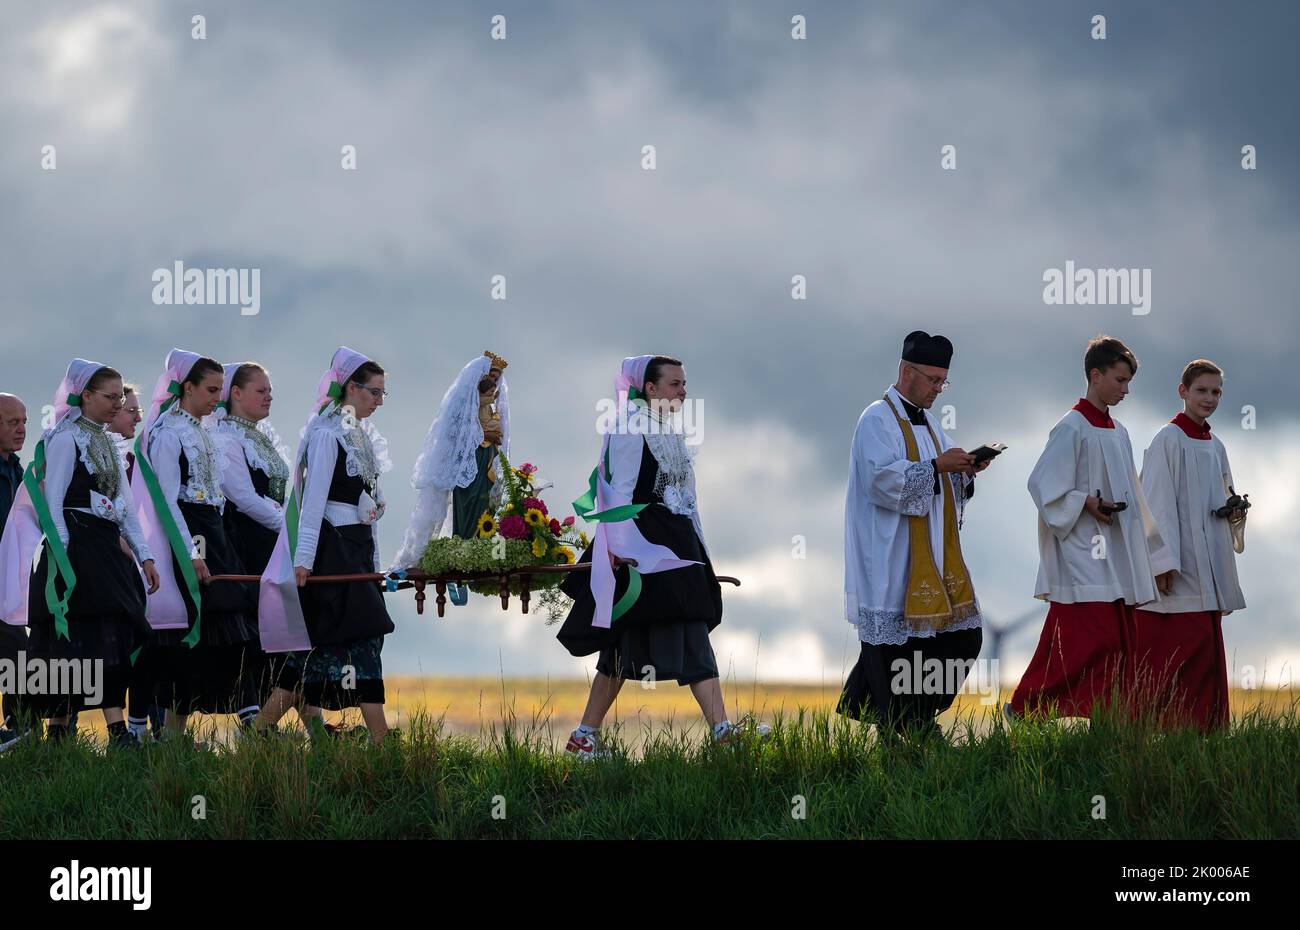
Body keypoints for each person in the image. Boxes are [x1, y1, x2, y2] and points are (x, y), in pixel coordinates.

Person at [556, 355, 765, 760]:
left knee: (642, 638)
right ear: (650, 388)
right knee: (655, 634)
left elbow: (685, 498)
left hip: (675, 540)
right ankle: (721, 732)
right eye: (674, 385)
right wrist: (619, 548)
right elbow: (619, 491)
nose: (683, 392)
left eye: (684, 385)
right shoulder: (630, 425)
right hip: (647, 544)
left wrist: (700, 550)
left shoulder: (662, 427)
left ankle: (586, 737)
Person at [1009, 335, 1175, 720]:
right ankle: (1028, 707)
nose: (1126, 389)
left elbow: (1135, 493)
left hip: (1117, 549)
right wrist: (1085, 501)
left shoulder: (1119, 432)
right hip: (1082, 547)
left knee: (1111, 638)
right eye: (1119, 380)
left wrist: (1156, 555)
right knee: (1091, 636)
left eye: (1129, 382)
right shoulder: (1071, 427)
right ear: (1095, 375)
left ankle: (1104, 719)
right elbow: (1042, 484)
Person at [836, 331, 990, 741]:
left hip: (933, 558)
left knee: (962, 639)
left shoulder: (933, 425)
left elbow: (944, 477)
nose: (939, 389)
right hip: (890, 555)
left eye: (943, 382)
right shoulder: (876, 419)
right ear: (907, 371)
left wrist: (965, 472)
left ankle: (901, 716)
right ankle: (911, 728)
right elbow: (880, 481)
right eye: (933, 380)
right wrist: (938, 467)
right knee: (899, 649)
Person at [0, 361, 160, 748]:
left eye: (120, 397)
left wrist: (145, 556)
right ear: (85, 396)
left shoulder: (107, 442)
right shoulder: (65, 438)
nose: (116, 403)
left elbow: (123, 508)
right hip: (74, 547)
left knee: (116, 633)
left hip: (104, 545)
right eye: (109, 396)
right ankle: (74, 733)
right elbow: (53, 503)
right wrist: (64, 558)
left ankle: (110, 731)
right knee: (74, 641)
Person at [256, 347, 396, 740]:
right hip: (332, 551)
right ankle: (381, 736)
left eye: (384, 394)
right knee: (365, 633)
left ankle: (259, 730)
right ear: (351, 388)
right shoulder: (326, 434)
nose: (379, 401)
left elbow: (362, 496)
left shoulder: (359, 435)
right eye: (374, 392)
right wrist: (304, 561)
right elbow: (312, 501)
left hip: (356, 547)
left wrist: (375, 512)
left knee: (320, 648)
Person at [130, 350, 260, 738]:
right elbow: (168, 500)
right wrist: (192, 553)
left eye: (220, 389)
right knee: (191, 633)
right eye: (210, 389)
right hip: (191, 531)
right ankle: (165, 731)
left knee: (230, 624)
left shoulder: (202, 429)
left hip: (214, 529)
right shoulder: (168, 433)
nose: (217, 398)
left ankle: (247, 720)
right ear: (186, 387)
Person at [1131, 359, 1245, 730]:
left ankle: (1203, 732)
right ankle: (1155, 730)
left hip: (1209, 562)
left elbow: (1221, 494)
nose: (1209, 398)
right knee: (1175, 652)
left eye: (1215, 392)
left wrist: (1234, 509)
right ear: (1183, 392)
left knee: (1204, 652)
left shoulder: (1216, 445)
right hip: (1180, 566)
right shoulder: (1168, 438)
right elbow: (1155, 502)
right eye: (1201, 390)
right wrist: (1160, 561)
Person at [391, 351, 509, 606]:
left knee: (485, 504)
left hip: (486, 462)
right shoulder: (464, 408)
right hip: (469, 465)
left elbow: (497, 433)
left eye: (496, 381)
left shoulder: (491, 408)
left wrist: (491, 437)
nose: (494, 387)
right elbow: (459, 438)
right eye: (490, 379)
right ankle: (462, 552)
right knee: (467, 504)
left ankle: (479, 551)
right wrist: (485, 435)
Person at [209, 362, 290, 706]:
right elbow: (242, 497)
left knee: (285, 633)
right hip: (246, 541)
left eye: (270, 390)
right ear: (236, 393)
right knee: (258, 633)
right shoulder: (225, 437)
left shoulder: (262, 436)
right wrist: (289, 527)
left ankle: (287, 721)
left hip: (272, 538)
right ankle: (253, 717)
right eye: (261, 390)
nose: (269, 396)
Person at [0, 392, 31, 747]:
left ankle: (18, 730)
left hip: (10, 579)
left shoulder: (17, 468)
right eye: (13, 422)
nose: (22, 429)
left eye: (24, 421)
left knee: (17, 653)